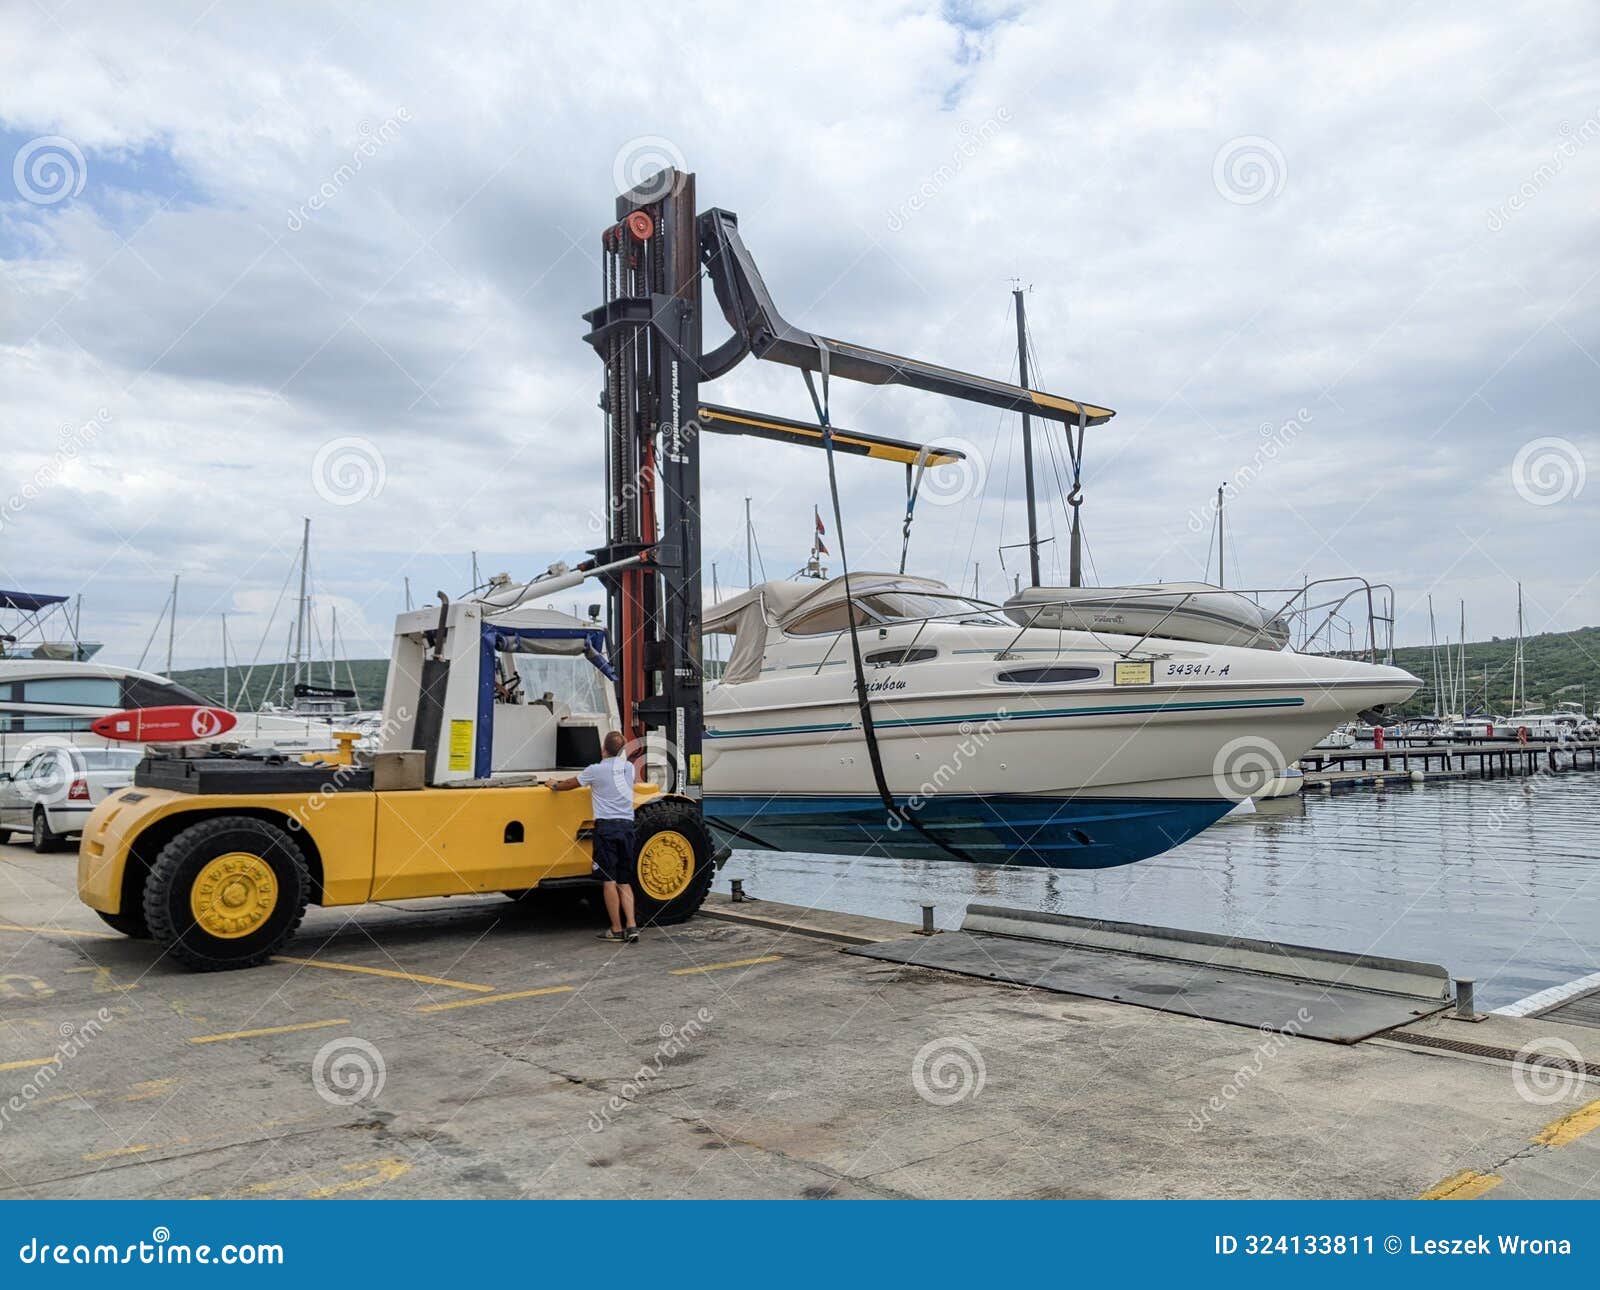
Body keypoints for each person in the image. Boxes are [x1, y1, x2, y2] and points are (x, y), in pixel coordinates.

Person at [552, 731, 638, 943]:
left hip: (606, 828)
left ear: (603, 749)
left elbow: (570, 784)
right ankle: (632, 926)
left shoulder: (595, 770)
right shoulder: (629, 768)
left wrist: (553, 784)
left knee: (608, 880)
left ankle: (616, 929)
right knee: (624, 881)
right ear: (622, 751)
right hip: (627, 827)